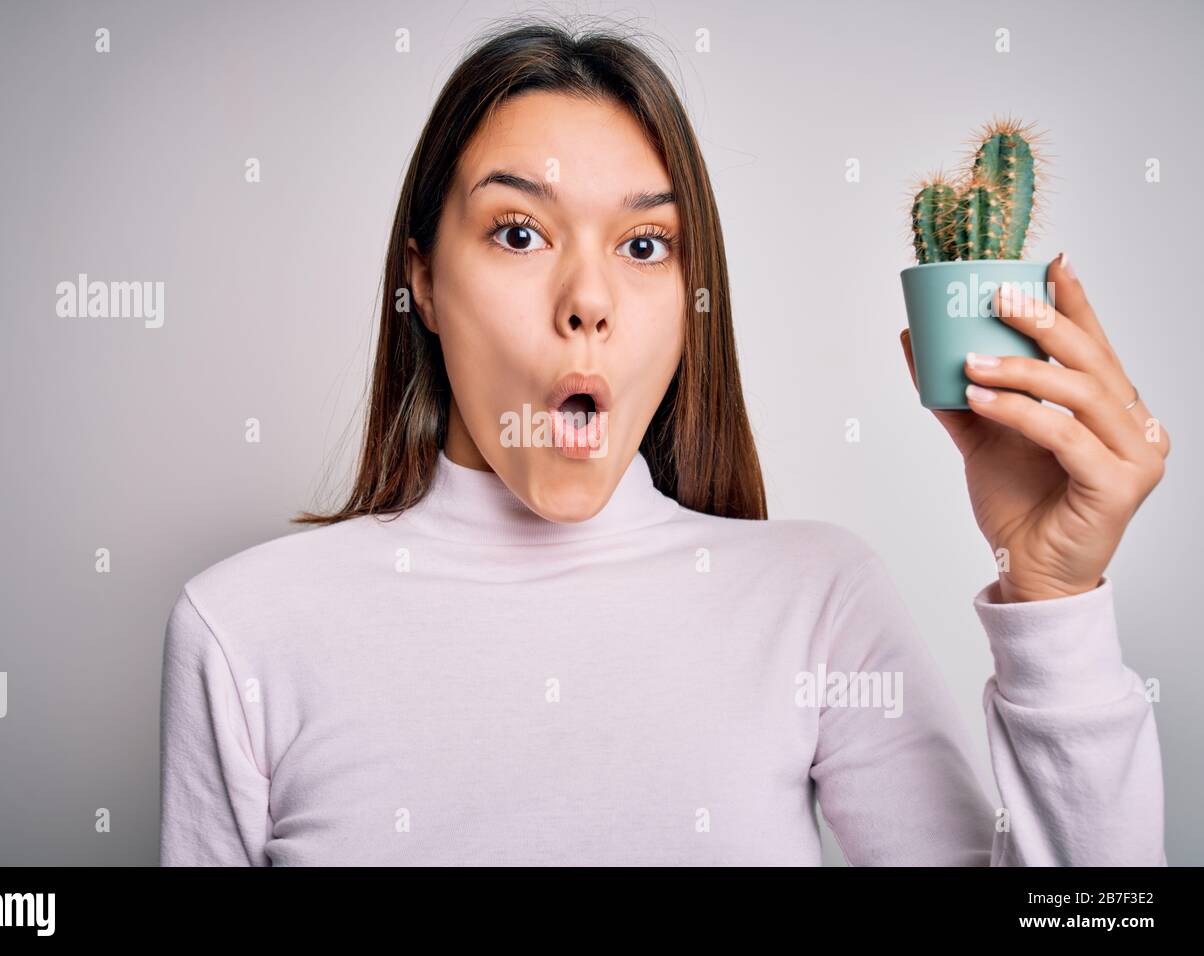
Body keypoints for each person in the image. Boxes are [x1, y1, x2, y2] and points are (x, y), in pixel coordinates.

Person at [159, 20, 1168, 866]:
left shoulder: (815, 596)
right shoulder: (243, 628)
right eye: (518, 232)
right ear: (421, 281)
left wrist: (1053, 604)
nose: (589, 301)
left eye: (644, 246)